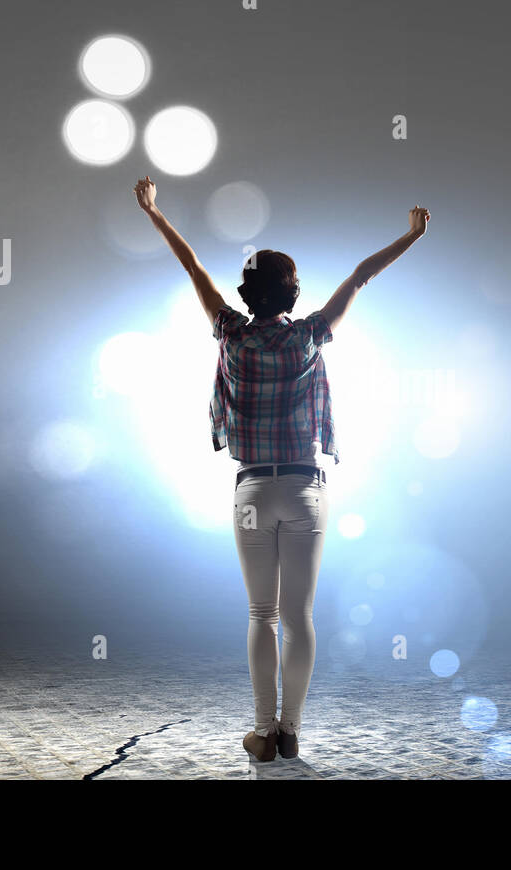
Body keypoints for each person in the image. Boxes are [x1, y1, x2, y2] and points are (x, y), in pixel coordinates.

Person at [134, 175, 430, 761]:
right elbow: (360, 277)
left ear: (248, 294)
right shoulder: (311, 337)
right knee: (299, 616)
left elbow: (192, 266)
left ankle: (263, 732)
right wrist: (412, 235)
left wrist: (153, 211)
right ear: (291, 293)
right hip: (304, 488)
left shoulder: (230, 334)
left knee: (261, 614)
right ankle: (292, 731)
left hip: (251, 489)